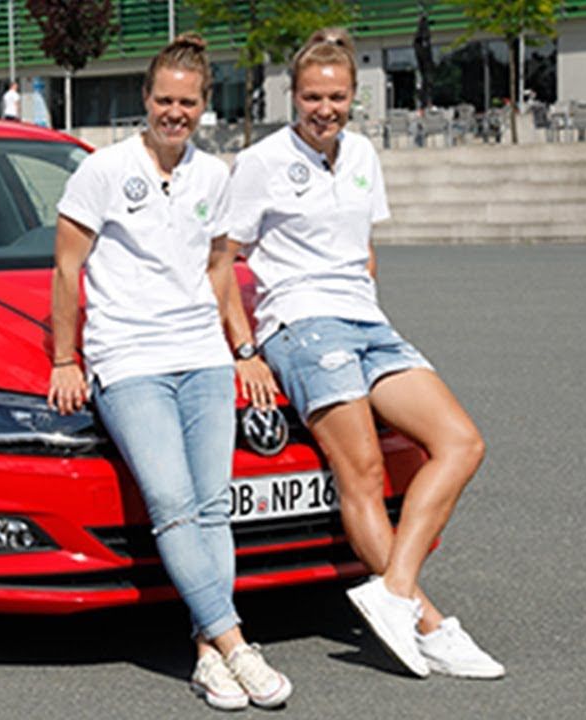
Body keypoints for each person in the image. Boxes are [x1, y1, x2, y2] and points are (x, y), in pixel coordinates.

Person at [209, 28, 505, 680]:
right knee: (364, 474)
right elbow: (221, 260)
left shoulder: (364, 152)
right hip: (303, 326)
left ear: (352, 97)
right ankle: (430, 623)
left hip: (368, 324)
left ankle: (395, 592)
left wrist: (371, 305)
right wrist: (246, 349)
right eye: (312, 96)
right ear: (294, 96)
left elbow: (364, 249)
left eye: (337, 96)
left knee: (461, 442)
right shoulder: (260, 162)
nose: (325, 108)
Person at [47, 34, 292, 711]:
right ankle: (236, 640)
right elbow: (67, 268)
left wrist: (242, 350)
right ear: (145, 100)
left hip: (202, 358)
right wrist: (66, 358)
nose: (173, 112)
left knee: (213, 507)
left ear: (202, 106)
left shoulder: (214, 176)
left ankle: (207, 656)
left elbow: (218, 269)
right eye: (163, 99)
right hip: (128, 361)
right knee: (174, 506)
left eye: (187, 102)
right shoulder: (102, 170)